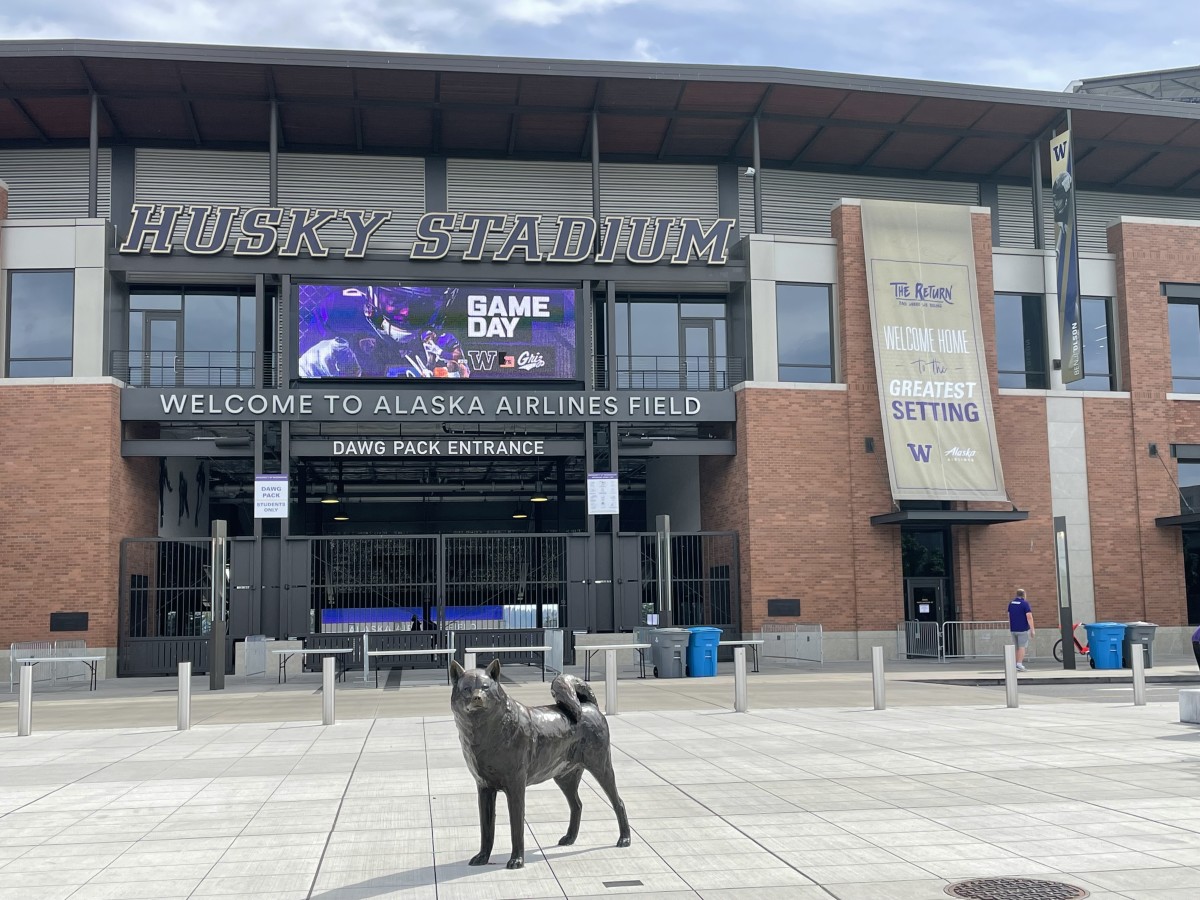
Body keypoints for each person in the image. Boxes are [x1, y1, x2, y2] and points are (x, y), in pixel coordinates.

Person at [1008, 588, 1035, 671]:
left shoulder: (1011, 603)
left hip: (1013, 629)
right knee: (1022, 647)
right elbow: (1029, 617)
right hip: (1022, 629)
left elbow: (1009, 615)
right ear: (1024, 595)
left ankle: (1016, 664)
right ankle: (1019, 664)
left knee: (1017, 647)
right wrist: (1032, 629)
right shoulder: (1025, 603)